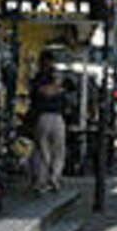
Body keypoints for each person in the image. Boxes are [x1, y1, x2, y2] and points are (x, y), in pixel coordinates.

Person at [28, 52, 68, 193]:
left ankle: (41, 181)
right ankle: (54, 179)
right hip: (57, 117)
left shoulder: (38, 78)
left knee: (42, 150)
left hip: (42, 117)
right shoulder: (59, 78)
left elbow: (33, 96)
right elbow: (66, 95)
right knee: (58, 151)